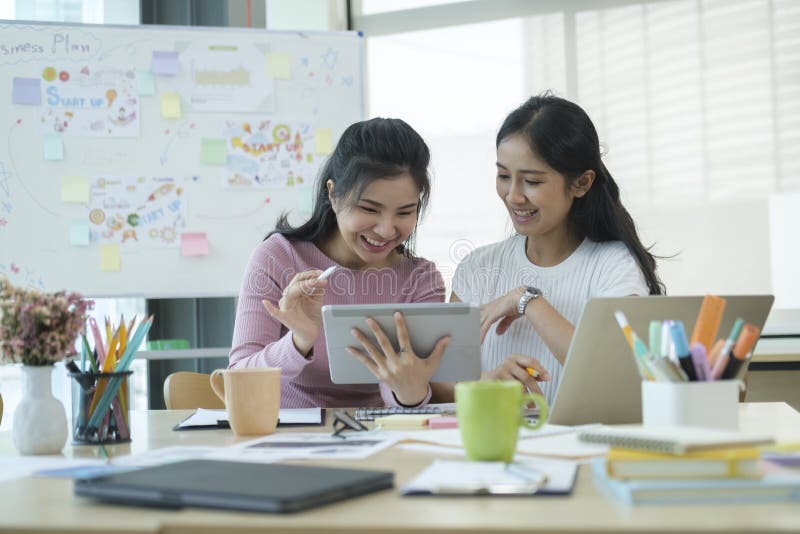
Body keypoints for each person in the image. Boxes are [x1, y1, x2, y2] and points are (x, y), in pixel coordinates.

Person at [436, 93, 664, 404]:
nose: (513, 196)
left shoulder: (614, 266)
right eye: (504, 176)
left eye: (531, 181)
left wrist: (527, 301)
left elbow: (609, 375)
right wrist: (485, 382)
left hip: (581, 449)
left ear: (581, 183)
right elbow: (441, 384)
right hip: (492, 447)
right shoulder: (477, 268)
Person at [229, 118, 450, 409]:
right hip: (288, 436)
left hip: (379, 437)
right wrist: (299, 341)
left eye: (404, 212)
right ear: (333, 194)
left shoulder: (421, 279)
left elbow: (409, 399)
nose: (386, 230)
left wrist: (409, 391)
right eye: (369, 208)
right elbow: (239, 380)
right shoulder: (278, 258)